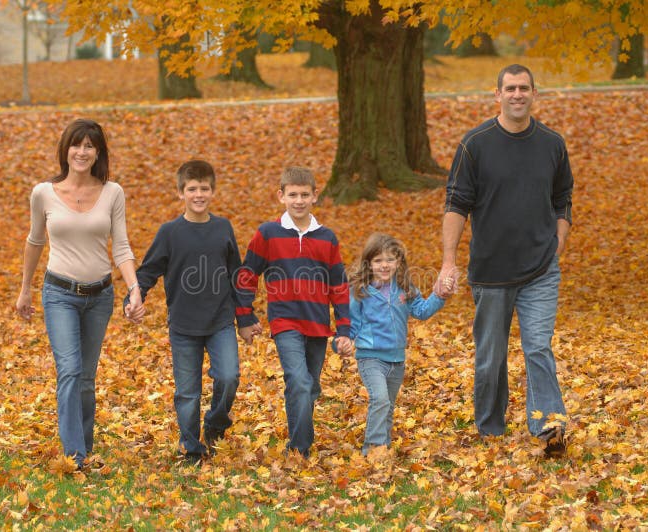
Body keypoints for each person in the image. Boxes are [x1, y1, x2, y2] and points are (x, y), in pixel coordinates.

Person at [436, 64, 573, 457]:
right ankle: (490, 428)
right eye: (510, 88)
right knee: (490, 356)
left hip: (540, 268)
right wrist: (448, 261)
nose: (517, 94)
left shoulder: (552, 143)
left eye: (524, 88)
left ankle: (549, 427)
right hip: (491, 271)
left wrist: (560, 232)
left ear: (534, 94)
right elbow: (456, 204)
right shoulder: (475, 144)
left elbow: (563, 193)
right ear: (497, 94)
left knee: (537, 347)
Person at [16, 118, 143, 470]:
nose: (82, 152)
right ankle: (75, 457)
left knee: (86, 378)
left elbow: (121, 247)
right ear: (65, 150)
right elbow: (35, 241)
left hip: (100, 296)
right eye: (76, 144)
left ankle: (83, 444)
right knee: (70, 370)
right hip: (59, 293)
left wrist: (134, 289)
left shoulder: (113, 192)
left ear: (98, 151)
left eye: (89, 145)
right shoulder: (44, 192)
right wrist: (25, 289)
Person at [123, 160, 250, 464]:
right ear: (181, 193)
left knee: (229, 377)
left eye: (204, 188)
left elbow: (237, 274)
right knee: (187, 393)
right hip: (183, 325)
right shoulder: (170, 232)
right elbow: (148, 272)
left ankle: (216, 423)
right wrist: (134, 297)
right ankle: (192, 448)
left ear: (213, 192)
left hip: (220, 321)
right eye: (191, 189)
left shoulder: (223, 227)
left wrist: (245, 318)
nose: (198, 194)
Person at [235, 166, 353, 458]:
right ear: (281, 196)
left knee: (309, 387)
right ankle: (299, 450)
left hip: (317, 322)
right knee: (298, 381)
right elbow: (248, 274)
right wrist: (245, 315)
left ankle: (299, 439)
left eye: (304, 195)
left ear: (315, 196)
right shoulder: (268, 233)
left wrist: (345, 328)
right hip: (285, 320)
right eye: (292, 195)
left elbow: (339, 285)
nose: (298, 200)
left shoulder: (327, 238)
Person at [349, 233, 449, 455]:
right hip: (370, 357)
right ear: (368, 263)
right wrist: (343, 339)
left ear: (399, 262)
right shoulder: (360, 291)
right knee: (380, 399)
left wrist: (438, 296)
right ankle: (373, 450)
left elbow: (421, 311)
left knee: (388, 405)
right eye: (378, 260)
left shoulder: (404, 287)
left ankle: (383, 446)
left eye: (390, 260)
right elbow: (351, 323)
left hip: (397, 359)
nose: (384, 265)